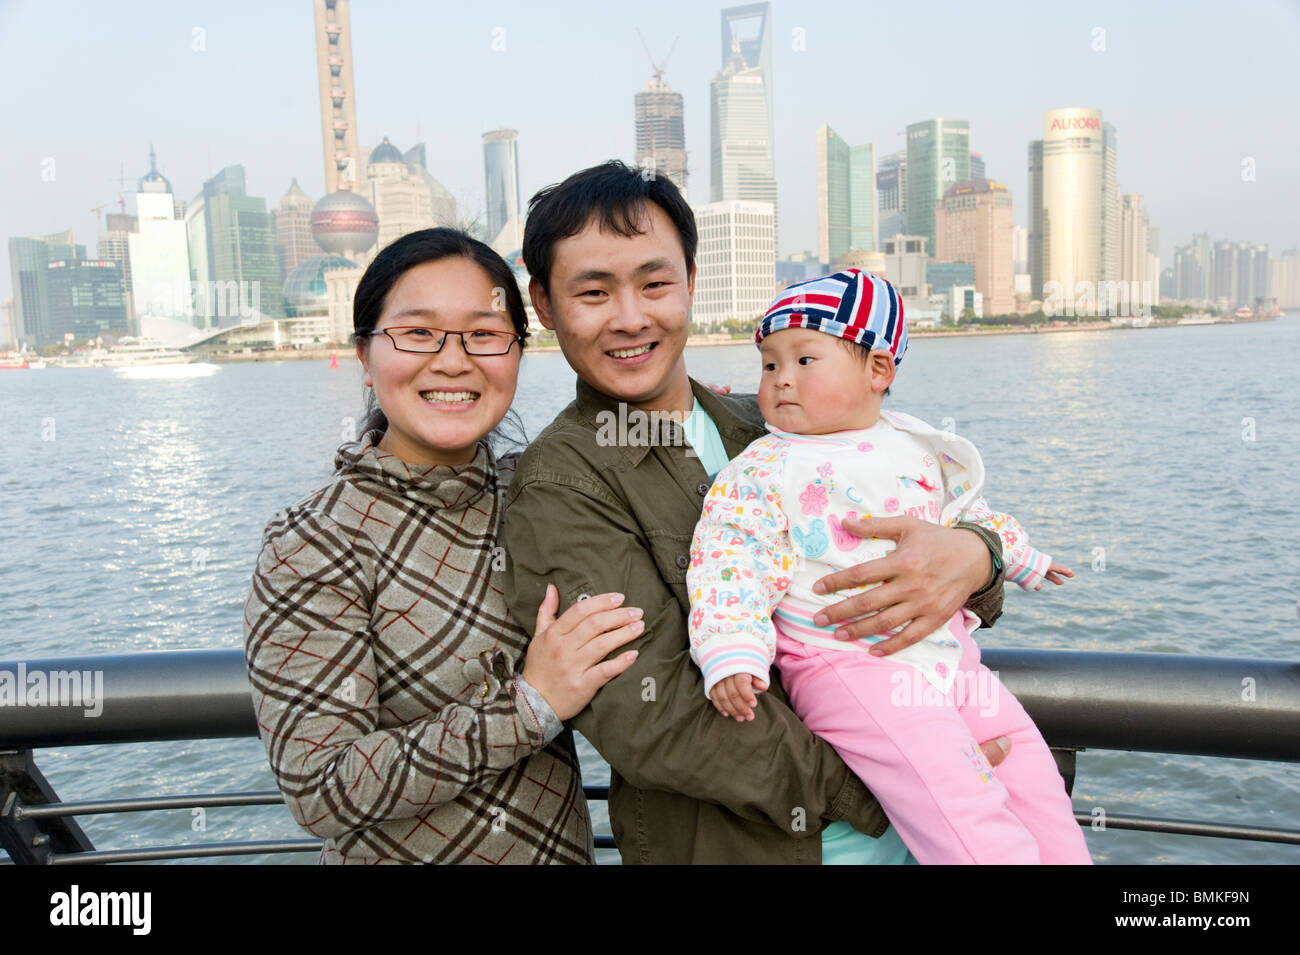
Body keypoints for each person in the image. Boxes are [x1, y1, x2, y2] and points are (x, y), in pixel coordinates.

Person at [502, 160, 1015, 864]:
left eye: (655, 284)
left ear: (690, 281)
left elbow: (929, 527)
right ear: (544, 304)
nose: (630, 317)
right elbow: (657, 718)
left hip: (916, 836)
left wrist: (978, 557)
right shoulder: (563, 483)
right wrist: (895, 785)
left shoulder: (777, 426)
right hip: (762, 847)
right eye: (593, 291)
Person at [242, 228, 642, 864]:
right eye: (418, 333)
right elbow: (319, 787)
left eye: (483, 334)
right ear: (364, 356)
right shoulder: (315, 540)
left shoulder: (544, 494)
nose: (453, 361)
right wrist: (531, 705)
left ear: (515, 352)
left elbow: (693, 539)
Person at [687, 269, 1093, 864]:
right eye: (770, 365)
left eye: (804, 360)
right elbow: (729, 560)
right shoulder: (763, 466)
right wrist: (732, 650)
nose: (780, 381)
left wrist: (1021, 556)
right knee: (961, 807)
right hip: (849, 664)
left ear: (878, 371)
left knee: (1031, 777)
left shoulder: (914, 444)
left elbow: (965, 515)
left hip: (948, 655)